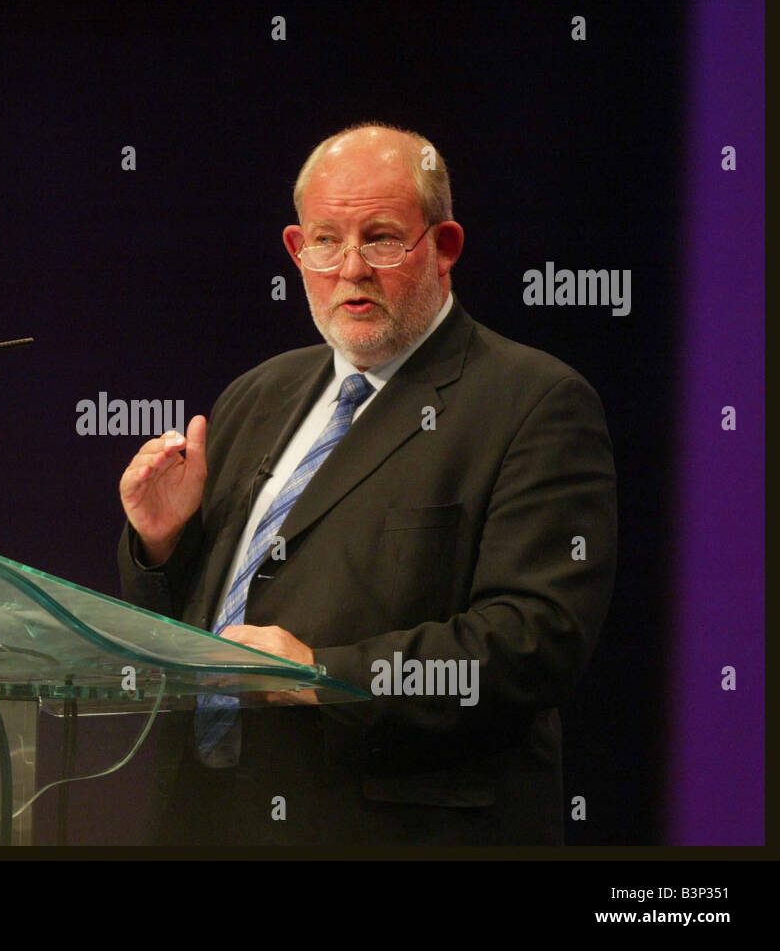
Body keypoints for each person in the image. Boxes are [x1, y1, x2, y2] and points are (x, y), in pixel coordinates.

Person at [117, 123, 617, 845]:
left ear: (444, 247)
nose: (350, 267)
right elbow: (193, 629)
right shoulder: (257, 395)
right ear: (296, 249)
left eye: (381, 238)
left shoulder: (533, 401)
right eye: (326, 239)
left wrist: (322, 674)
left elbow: (533, 644)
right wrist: (160, 546)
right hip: (209, 818)